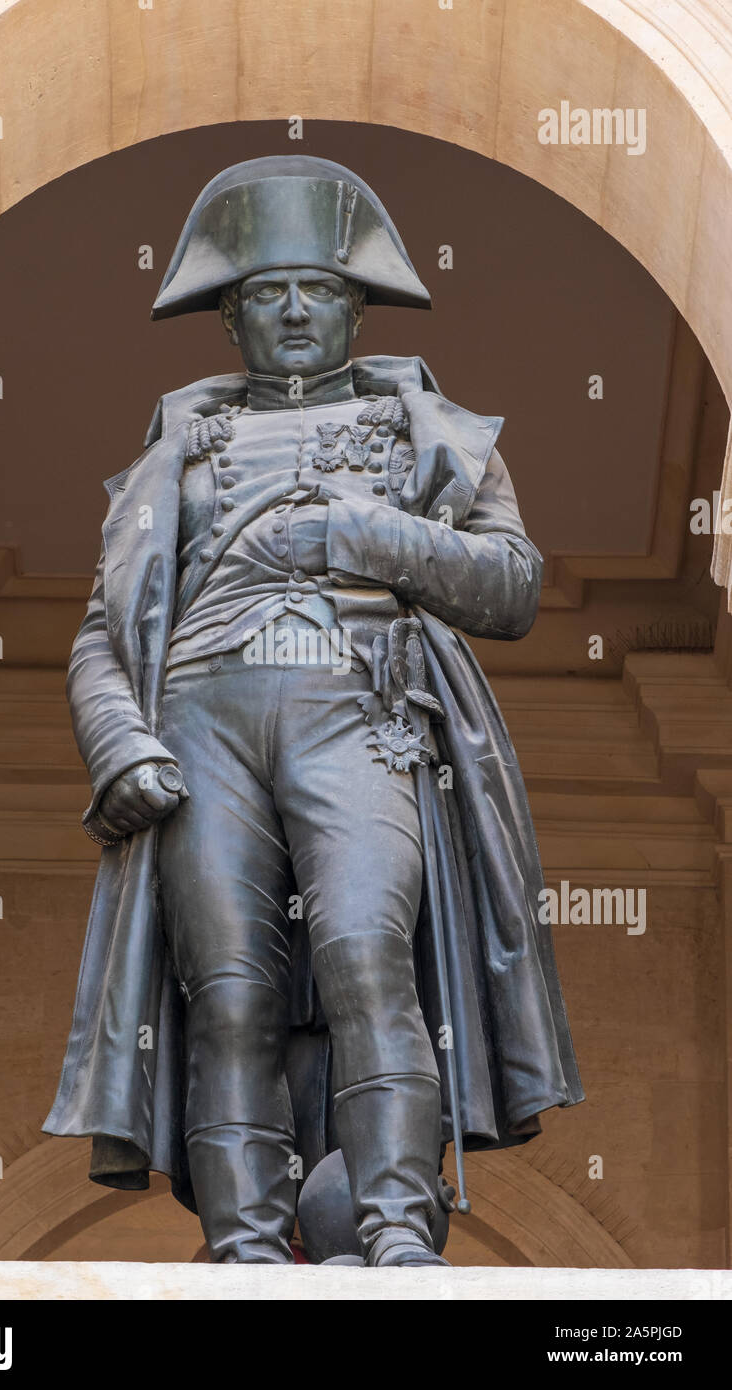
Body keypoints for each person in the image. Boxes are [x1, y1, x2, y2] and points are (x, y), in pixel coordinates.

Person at [44, 156, 583, 1266]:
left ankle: (394, 1232)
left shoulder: (424, 432)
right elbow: (105, 630)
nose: (293, 310)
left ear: (356, 304)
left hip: (361, 706)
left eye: (319, 288)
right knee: (228, 988)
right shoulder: (172, 454)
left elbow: (512, 585)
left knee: (363, 951)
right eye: (267, 293)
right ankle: (244, 1249)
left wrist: (360, 532)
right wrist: (118, 741)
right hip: (201, 719)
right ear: (230, 315)